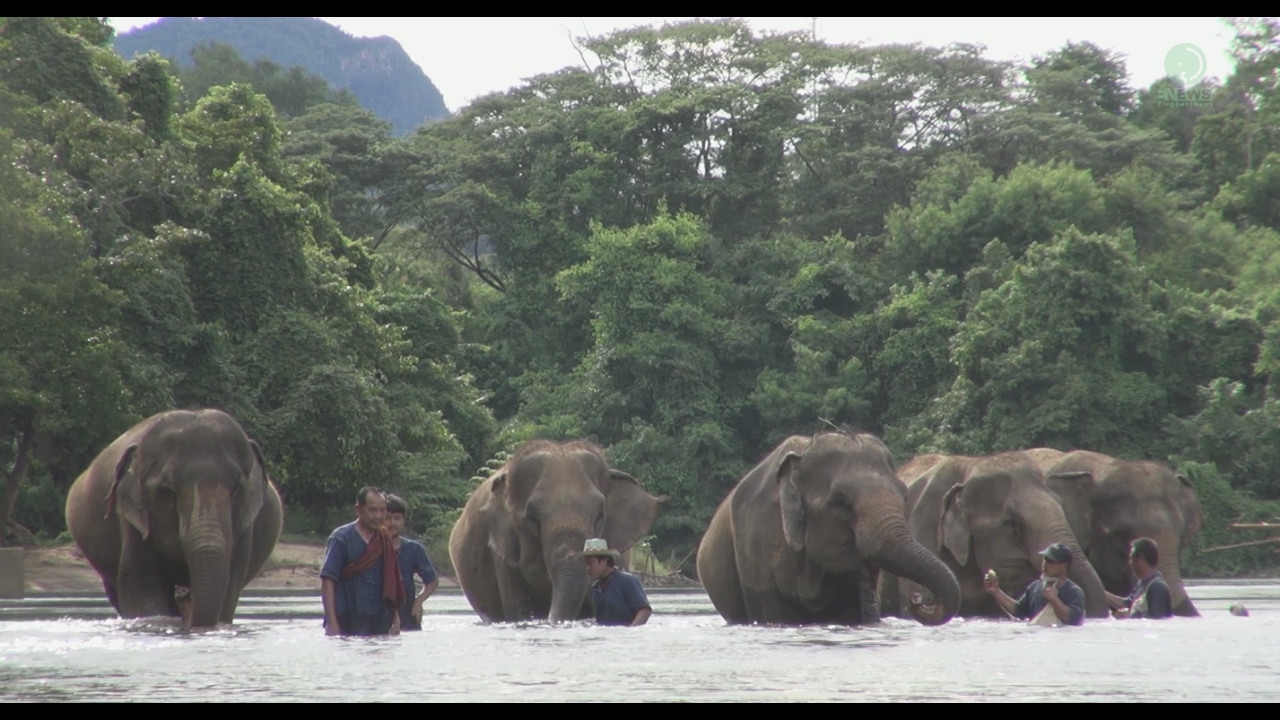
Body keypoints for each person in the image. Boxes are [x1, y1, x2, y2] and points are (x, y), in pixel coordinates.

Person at [320, 487, 406, 636]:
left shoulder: (384, 538)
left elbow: (391, 581)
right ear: (358, 509)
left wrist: (395, 619)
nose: (378, 516)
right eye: (372, 510)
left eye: (383, 510)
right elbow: (328, 580)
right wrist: (332, 624)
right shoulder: (341, 538)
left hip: (379, 619)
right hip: (347, 618)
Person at [984, 543, 1086, 626]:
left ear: (1063, 566)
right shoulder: (1035, 587)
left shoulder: (1074, 592)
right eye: (1044, 559)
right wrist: (996, 591)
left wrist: (1054, 599)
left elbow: (1073, 620)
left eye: (1050, 561)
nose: (1044, 564)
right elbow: (1017, 610)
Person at [384, 494, 439, 631]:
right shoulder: (372, 548)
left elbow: (432, 580)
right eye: (387, 518)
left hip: (408, 614)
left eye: (397, 518)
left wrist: (419, 601)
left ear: (403, 520)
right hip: (380, 615)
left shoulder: (413, 549)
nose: (392, 523)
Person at [583, 538, 651, 627]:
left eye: (590, 563)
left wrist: (631, 632)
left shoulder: (626, 581)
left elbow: (644, 610)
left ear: (604, 560)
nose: (587, 568)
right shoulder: (595, 588)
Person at [1107, 537, 1173, 619]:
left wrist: (1128, 617)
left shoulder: (1157, 587)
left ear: (1141, 559)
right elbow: (1127, 603)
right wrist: (1100, 593)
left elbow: (1157, 621)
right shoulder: (1141, 583)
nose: (1130, 563)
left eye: (1132, 558)